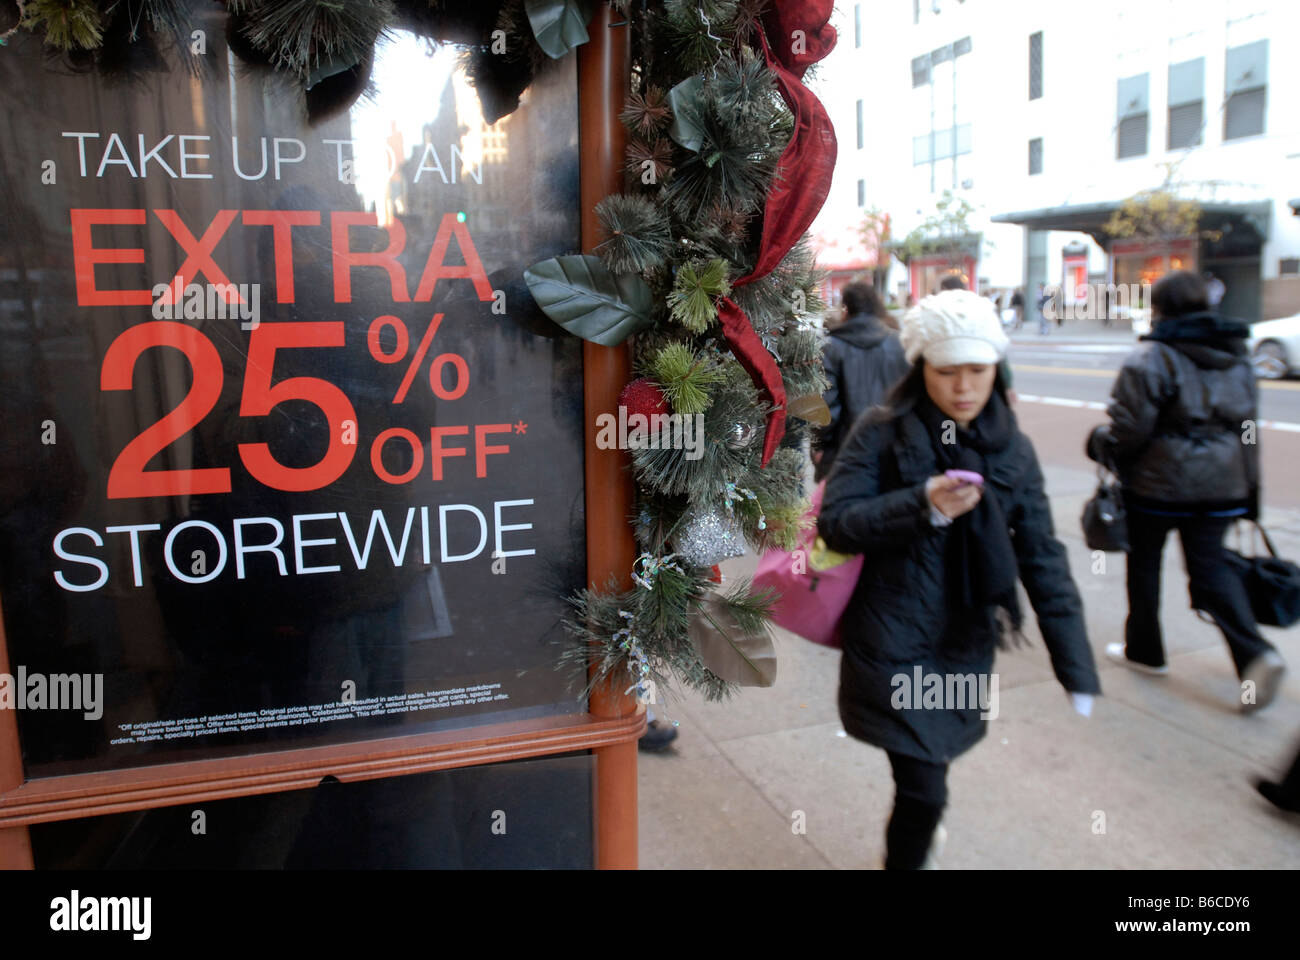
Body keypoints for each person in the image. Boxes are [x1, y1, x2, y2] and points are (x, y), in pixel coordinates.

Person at [818, 289, 1101, 870]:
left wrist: (1075, 665)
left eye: (978, 370)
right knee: (924, 786)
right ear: (922, 369)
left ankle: (918, 838)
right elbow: (837, 525)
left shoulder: (1012, 448)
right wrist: (924, 504)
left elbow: (1042, 554)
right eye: (948, 372)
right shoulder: (881, 429)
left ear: (998, 368)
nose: (964, 388)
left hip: (967, 639)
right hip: (892, 635)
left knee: (934, 770)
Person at [1087, 270, 1286, 710]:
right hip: (1223, 486)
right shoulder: (1238, 358)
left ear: (1159, 308)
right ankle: (1255, 654)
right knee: (1211, 570)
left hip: (1158, 486)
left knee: (1144, 565)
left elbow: (1130, 429)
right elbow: (1248, 429)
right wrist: (1250, 490)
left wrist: (1105, 447)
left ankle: (1145, 651)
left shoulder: (1150, 359)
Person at [814, 281, 910, 481]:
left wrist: (821, 444)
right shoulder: (899, 342)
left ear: (846, 308)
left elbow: (825, 405)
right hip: (894, 445)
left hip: (845, 451)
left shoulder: (831, 347)